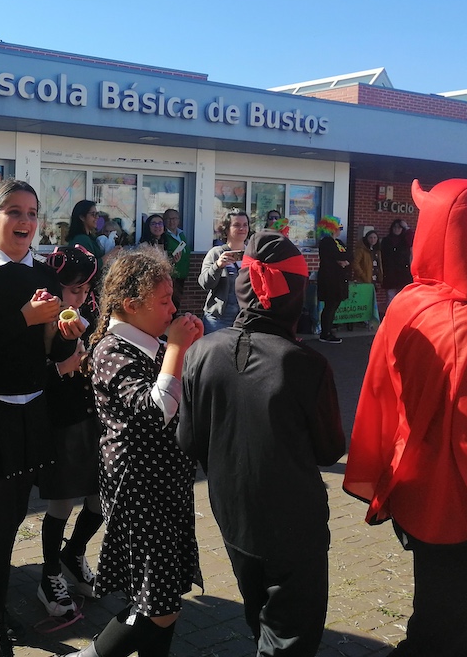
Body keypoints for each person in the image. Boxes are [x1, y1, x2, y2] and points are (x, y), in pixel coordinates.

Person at [344, 179, 467, 657]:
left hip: (413, 485)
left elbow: (435, 379)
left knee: (435, 614)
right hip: (455, 509)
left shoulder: (411, 300)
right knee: (450, 634)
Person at [178, 231, 346, 656]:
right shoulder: (305, 364)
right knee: (291, 635)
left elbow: (188, 440)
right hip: (293, 524)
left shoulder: (200, 352)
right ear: (295, 295)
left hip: (232, 515)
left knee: (258, 616)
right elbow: (329, 451)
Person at [0, 179, 83, 657]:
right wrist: (24, 318)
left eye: (33, 213)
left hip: (32, 408)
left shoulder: (43, 274)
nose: (27, 221)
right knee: (1, 525)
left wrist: (65, 334)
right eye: (16, 212)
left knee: (13, 516)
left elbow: (50, 350)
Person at [63, 247, 203, 657]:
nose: (173, 309)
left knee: (162, 599)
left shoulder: (151, 343)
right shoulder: (111, 350)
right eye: (164, 301)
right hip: (139, 491)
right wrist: (176, 348)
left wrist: (186, 349)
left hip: (166, 486)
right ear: (131, 305)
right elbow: (154, 412)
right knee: (159, 605)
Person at [35, 245, 104, 624]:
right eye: (74, 289)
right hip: (59, 421)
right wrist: (62, 366)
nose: (80, 297)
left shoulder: (89, 312)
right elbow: (25, 378)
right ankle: (49, 577)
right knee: (61, 504)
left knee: (100, 499)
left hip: (91, 417)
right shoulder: (39, 317)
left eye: (86, 289)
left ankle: (73, 554)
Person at [198, 209, 250, 333]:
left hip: (245, 317)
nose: (242, 228)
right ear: (226, 229)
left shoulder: (252, 254)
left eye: (245, 225)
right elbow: (205, 283)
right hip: (219, 319)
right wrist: (217, 266)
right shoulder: (216, 253)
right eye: (237, 225)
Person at [316, 215, 352, 344]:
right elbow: (336, 255)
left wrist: (344, 261)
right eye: (338, 227)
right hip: (329, 279)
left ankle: (329, 330)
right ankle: (325, 333)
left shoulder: (339, 242)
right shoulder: (326, 242)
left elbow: (349, 254)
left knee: (334, 304)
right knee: (330, 305)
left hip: (339, 278)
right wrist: (340, 259)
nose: (340, 229)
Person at [67, 199, 114, 275]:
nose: (97, 217)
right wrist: (111, 254)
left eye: (97, 214)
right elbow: (89, 268)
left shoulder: (90, 237)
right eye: (93, 214)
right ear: (82, 217)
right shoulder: (81, 239)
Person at [380, 217, 413, 308]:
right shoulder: (386, 240)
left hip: (403, 273)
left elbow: (412, 240)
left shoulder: (405, 240)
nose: (397, 229)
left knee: (402, 297)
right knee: (390, 297)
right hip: (389, 272)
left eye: (399, 228)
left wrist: (406, 227)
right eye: (395, 227)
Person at [162, 209, 190, 310]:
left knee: (176, 304)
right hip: (170, 276)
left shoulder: (181, 234)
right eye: (168, 219)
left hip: (181, 275)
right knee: (171, 305)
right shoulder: (163, 236)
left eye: (174, 218)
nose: (172, 221)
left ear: (178, 220)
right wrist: (172, 260)